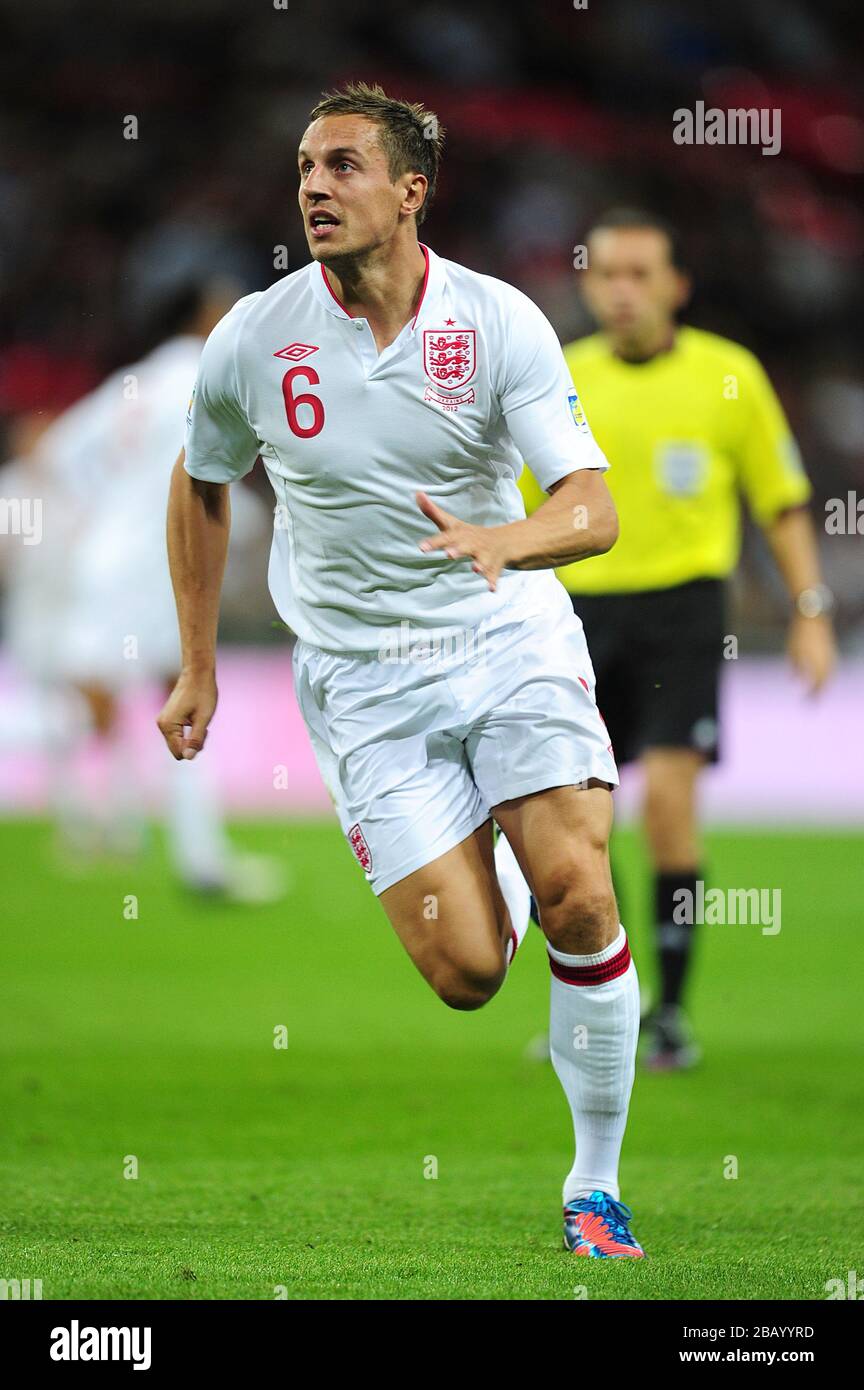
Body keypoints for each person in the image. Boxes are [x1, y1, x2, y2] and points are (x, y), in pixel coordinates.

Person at [158, 82, 645, 1257]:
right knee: (468, 971)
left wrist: (503, 541)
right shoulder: (259, 337)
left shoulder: (498, 323)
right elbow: (201, 480)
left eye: (342, 167)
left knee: (581, 887)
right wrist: (196, 666)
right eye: (305, 168)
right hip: (364, 684)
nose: (314, 187)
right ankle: (507, 859)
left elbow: (592, 509)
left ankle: (594, 1186)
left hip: (504, 636)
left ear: (410, 192)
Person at [519, 208, 837, 1069]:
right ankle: (601, 1007)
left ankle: (672, 1012)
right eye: (606, 275)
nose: (621, 292)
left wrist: (809, 609)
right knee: (577, 821)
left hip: (686, 614)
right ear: (587, 284)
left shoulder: (729, 376)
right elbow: (518, 510)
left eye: (639, 274)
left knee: (666, 806)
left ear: (676, 286)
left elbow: (781, 501)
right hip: (575, 614)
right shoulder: (558, 375)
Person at [2, 282, 282, 902]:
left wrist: (91, 521)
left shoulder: (131, 384)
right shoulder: (206, 371)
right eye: (226, 306)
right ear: (203, 317)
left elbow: (53, 450)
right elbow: (215, 470)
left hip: (107, 561)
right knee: (169, 696)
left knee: (133, 698)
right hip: (159, 560)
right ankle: (202, 861)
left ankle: (197, 857)